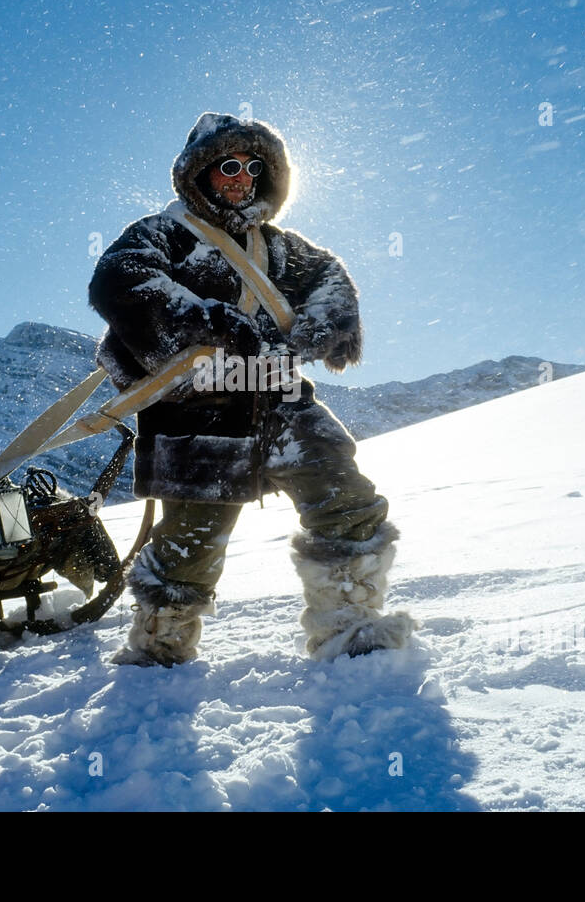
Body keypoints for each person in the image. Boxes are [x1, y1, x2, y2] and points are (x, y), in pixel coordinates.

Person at [87, 111, 416, 666]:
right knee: (192, 540)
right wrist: (208, 322)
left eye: (253, 167)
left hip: (282, 401)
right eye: (228, 165)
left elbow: (330, 279)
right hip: (199, 412)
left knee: (345, 498)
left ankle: (349, 628)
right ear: (201, 175)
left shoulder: (280, 248)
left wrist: (315, 329)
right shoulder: (162, 233)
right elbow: (121, 278)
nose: (241, 177)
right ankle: (158, 648)